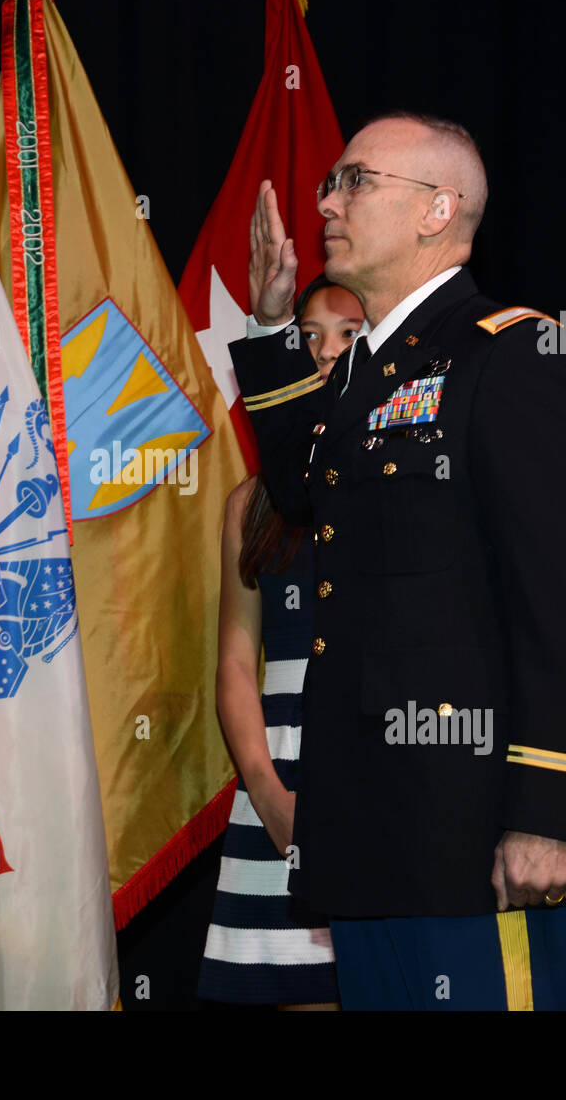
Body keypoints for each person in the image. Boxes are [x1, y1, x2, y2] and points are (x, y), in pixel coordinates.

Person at [228, 112, 566, 1010]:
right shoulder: (369, 367)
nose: (327, 200)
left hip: (475, 840)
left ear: (437, 210)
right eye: (330, 182)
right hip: (373, 840)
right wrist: (266, 329)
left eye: (355, 181)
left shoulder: (515, 353)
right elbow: (299, 497)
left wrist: (548, 813)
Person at [198, 276, 363, 1008]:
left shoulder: (411, 477)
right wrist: (267, 791)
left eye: (350, 334)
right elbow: (236, 661)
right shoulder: (252, 501)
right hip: (280, 784)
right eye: (308, 336)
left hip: (382, 772)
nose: (326, 352)